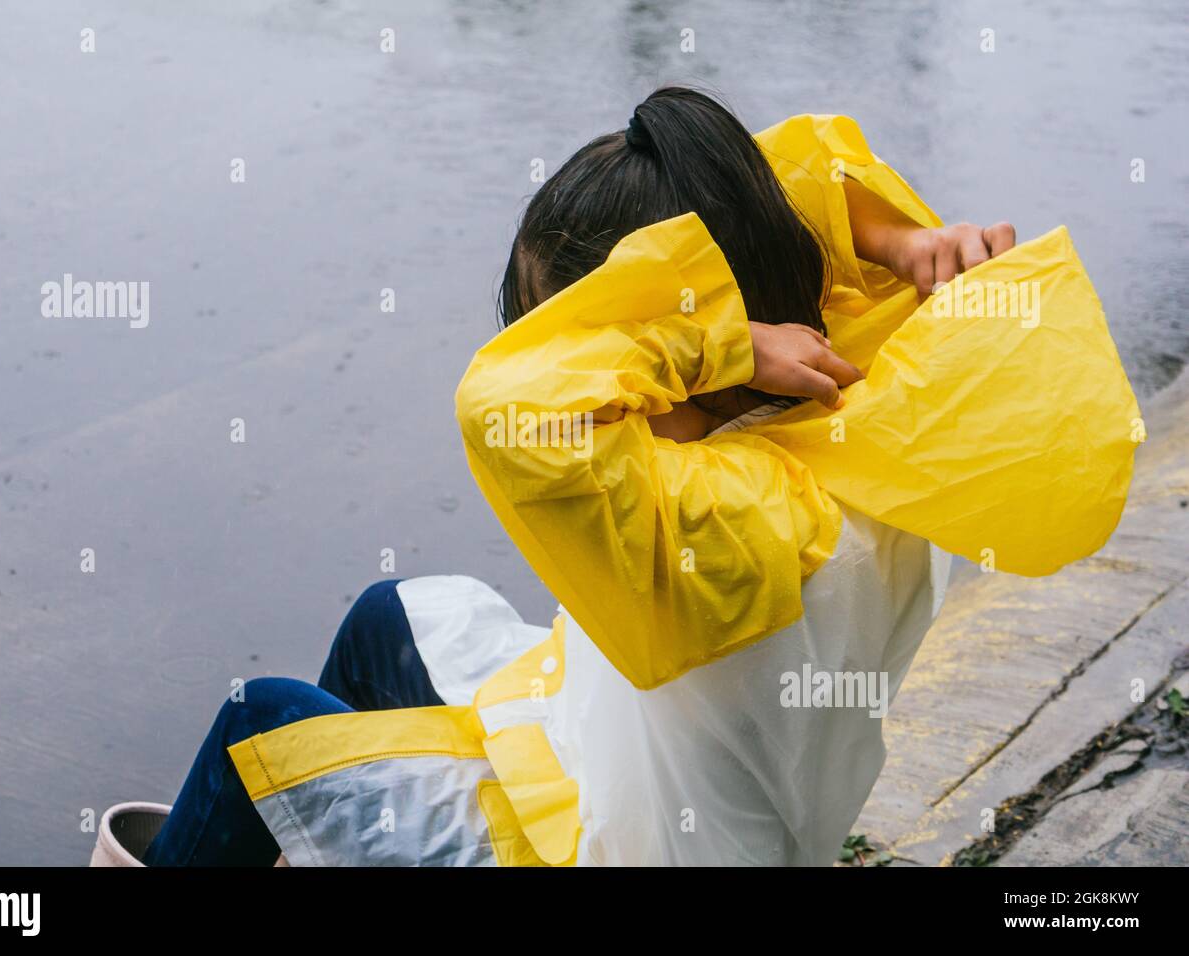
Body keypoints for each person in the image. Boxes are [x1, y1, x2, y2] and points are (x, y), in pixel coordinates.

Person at [96, 87, 1137, 867]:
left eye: (581, 325)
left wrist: (705, 342)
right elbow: (768, 185)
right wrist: (899, 237)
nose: (565, 349)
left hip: (604, 847)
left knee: (256, 723)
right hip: (604, 745)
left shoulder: (750, 518)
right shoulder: (867, 403)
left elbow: (507, 409)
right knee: (389, 616)